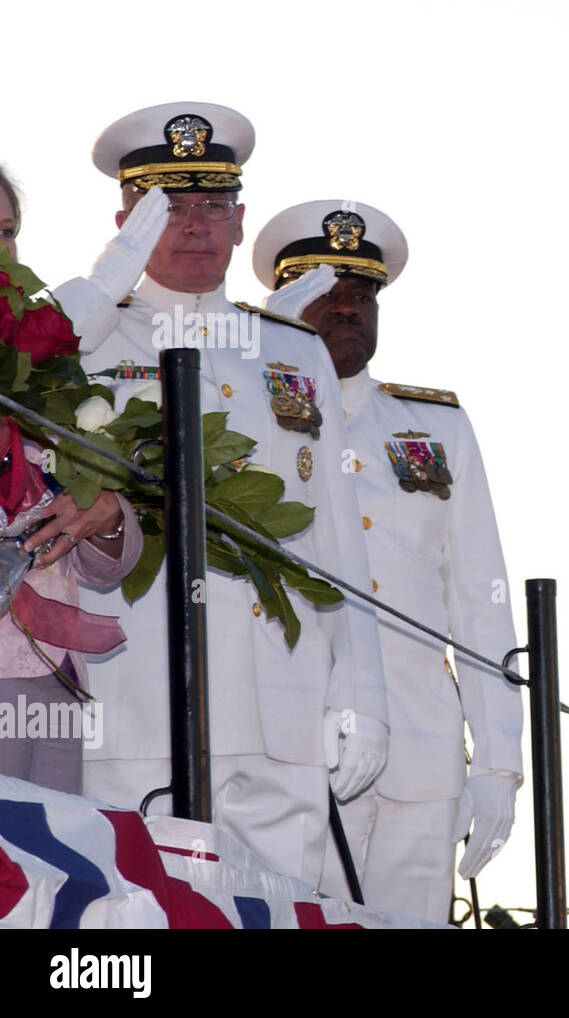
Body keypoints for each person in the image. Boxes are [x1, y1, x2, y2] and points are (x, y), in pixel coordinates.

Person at [52, 106, 388, 893]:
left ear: (240, 223)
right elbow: (18, 372)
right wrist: (103, 279)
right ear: (126, 222)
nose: (192, 227)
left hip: (281, 707)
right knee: (131, 918)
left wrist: (362, 695)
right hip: (132, 702)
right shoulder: (86, 338)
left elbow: (338, 539)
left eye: (211, 207)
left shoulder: (295, 351)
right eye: (166, 208)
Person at [253, 200, 523, 921]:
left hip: (421, 752)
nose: (348, 309)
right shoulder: (240, 410)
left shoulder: (435, 428)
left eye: (362, 295)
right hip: (289, 747)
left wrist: (499, 761)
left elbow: (480, 600)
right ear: (287, 301)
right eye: (327, 291)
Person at [0, 164, 144, 794]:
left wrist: (108, 515)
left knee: (44, 880)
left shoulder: (50, 373)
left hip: (43, 675)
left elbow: (101, 567)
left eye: (6, 231)